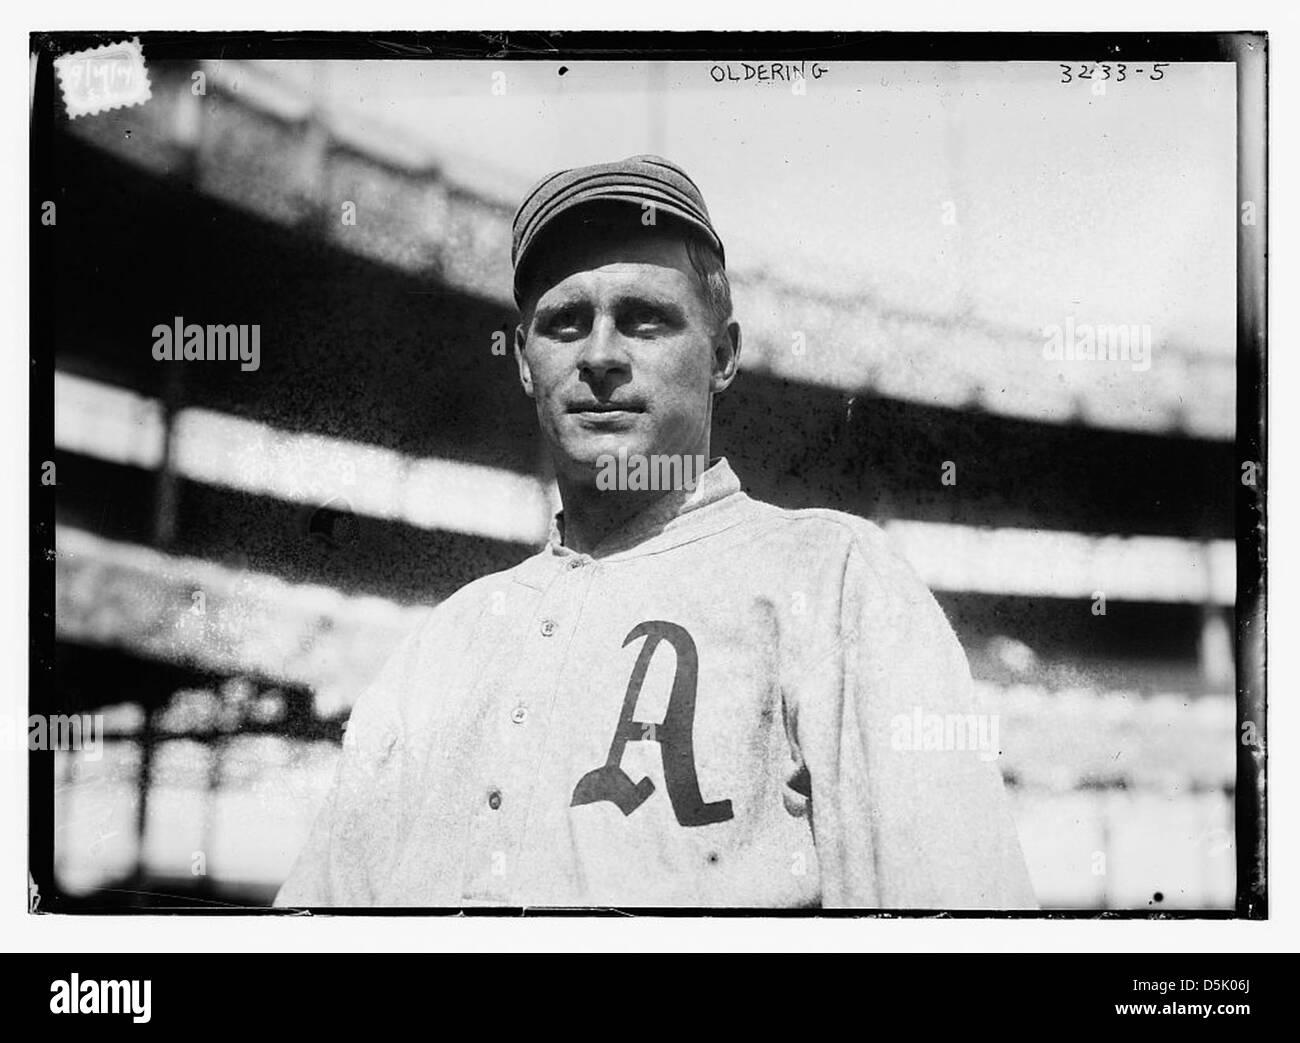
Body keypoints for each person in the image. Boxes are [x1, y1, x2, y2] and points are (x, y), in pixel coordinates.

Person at [275, 154, 1036, 909]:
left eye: (645, 319)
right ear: (523, 363)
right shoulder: (439, 647)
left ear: (723, 355)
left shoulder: (833, 580)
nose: (601, 355)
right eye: (565, 324)